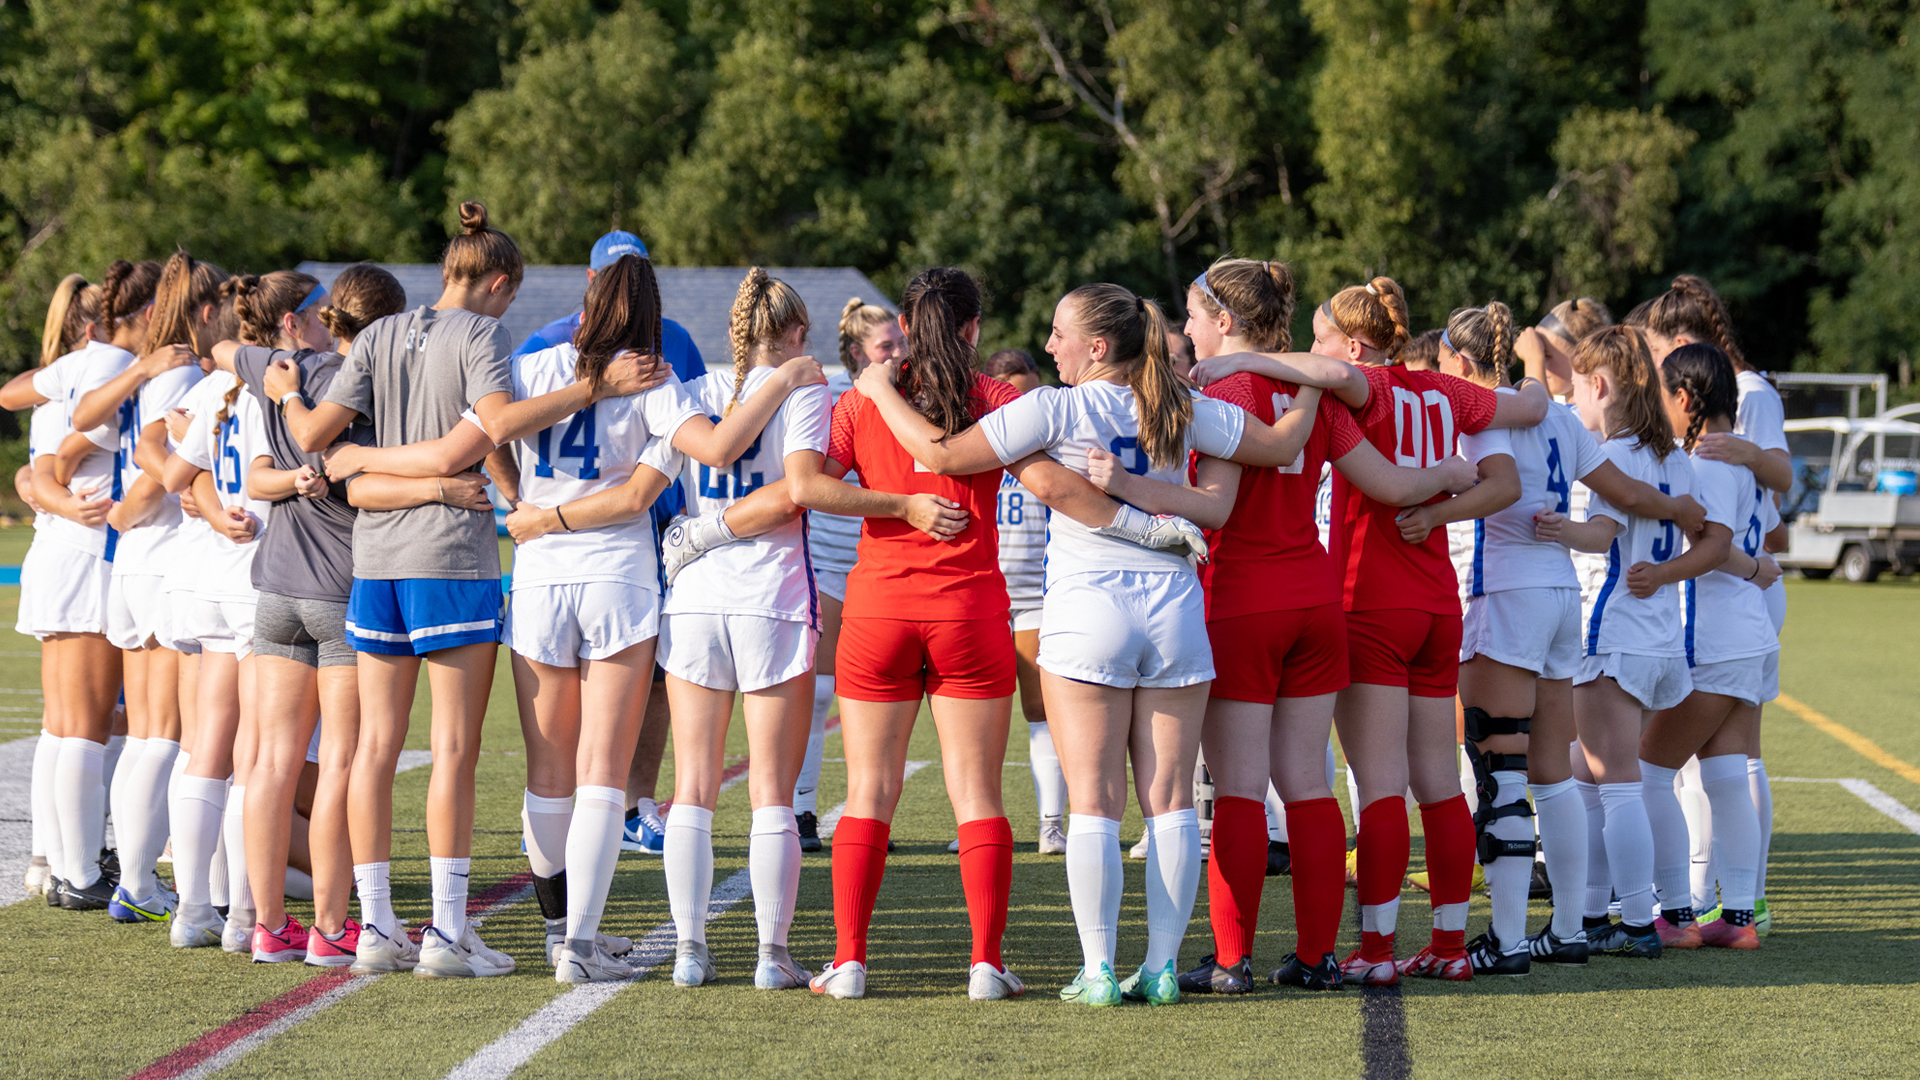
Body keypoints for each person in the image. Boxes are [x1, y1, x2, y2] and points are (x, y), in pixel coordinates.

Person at [855, 278, 1337, 1007]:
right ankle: (1164, 968)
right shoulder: (1178, 405)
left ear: (1098, 346)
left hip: (1089, 611)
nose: (1049, 346)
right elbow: (1280, 445)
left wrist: (877, 391)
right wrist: (1305, 382)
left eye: (1059, 334)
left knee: (1094, 802)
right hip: (1174, 608)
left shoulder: (1051, 408)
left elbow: (945, 458)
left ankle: (1099, 969)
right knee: (1173, 803)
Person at [268, 202, 656, 977]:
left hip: (374, 561)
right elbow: (488, 431)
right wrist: (589, 389)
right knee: (452, 748)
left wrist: (362, 458)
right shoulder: (483, 334)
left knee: (374, 748)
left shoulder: (376, 334)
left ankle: (375, 926)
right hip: (449, 561)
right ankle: (446, 931)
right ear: (499, 283)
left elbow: (318, 442)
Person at [787, 267, 1191, 1003]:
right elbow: (1044, 477)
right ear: (974, 329)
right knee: (976, 793)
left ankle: (848, 963)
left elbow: (809, 486)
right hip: (970, 610)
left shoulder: (862, 396)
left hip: (877, 608)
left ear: (905, 327)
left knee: (867, 791)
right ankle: (984, 964)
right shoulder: (999, 395)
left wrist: (896, 503)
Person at [1122, 259, 1482, 993]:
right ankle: (1317, 956)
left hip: (1243, 597)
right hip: (1316, 600)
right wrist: (1447, 477)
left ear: (1226, 320)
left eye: (1193, 314)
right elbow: (1389, 485)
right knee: (1308, 787)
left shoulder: (1224, 386)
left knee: (1242, 790)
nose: (1186, 329)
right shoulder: (1311, 386)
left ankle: (1231, 961)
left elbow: (1212, 500)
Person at [1193, 278, 1549, 985]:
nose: (1314, 351)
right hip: (1418, 601)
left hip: (1345, 600)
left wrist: (1246, 365)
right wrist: (1457, 472)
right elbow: (1529, 408)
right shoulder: (1439, 392)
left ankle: (1353, 952)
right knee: (1429, 785)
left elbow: (1375, 476)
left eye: (1324, 340)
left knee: (1353, 785)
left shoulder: (1340, 390)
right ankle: (1431, 945)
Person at [1400, 303, 1704, 973]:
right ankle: (1567, 927)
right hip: (1566, 596)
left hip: (1506, 594)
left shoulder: (1482, 413)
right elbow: (1623, 490)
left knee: (1499, 770)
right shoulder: (1560, 414)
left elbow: (1494, 485)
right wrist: (1680, 507)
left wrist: (1431, 513)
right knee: (1554, 777)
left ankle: (1506, 939)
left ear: (1457, 359)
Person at [653, 268, 831, 990]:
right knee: (772, 792)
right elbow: (797, 493)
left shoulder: (695, 392)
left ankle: (690, 948)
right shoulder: (806, 388)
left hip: (695, 598)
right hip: (772, 597)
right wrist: (790, 379)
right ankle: (771, 954)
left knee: (691, 785)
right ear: (793, 334)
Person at [1537, 325, 1730, 959]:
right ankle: (1632, 910)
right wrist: (1668, 574)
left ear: (1599, 385)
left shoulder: (1611, 456)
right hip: (1661, 642)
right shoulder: (1674, 455)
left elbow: (1599, 537)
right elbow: (1710, 537)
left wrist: (1555, 527)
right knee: (1609, 778)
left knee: (1615, 781)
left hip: (1613, 635)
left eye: (1578, 394)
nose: (1573, 407)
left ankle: (1640, 923)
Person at [514, 230, 707, 858]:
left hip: (544, 566)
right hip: (617, 559)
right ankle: (580, 941)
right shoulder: (646, 362)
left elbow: (484, 429)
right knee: (597, 772)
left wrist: (525, 508)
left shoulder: (532, 361)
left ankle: (550, 919)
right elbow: (697, 455)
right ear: (591, 281)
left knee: (550, 773)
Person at [71, 251, 222, 925]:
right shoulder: (182, 370)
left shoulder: (152, 365)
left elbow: (92, 422)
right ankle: (138, 881)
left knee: (147, 734)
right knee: (163, 732)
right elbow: (155, 470)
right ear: (208, 309)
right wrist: (134, 508)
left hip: (135, 561)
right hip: (160, 556)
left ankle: (137, 877)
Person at [1637, 274, 1787, 933]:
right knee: (1727, 773)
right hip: (1751, 636)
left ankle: (1674, 912)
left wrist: (1660, 573)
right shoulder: (1742, 462)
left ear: (1687, 395)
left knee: (1647, 769)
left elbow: (1718, 546)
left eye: (1662, 394)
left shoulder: (1702, 464)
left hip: (1716, 638)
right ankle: (1742, 915)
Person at [160, 272, 281, 950]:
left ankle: (194, 910)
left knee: (206, 749)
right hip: (255, 581)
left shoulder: (211, 389)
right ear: (284, 325)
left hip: (208, 575)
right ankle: (239, 916)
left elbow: (178, 478)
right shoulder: (280, 388)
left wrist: (211, 503)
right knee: (249, 753)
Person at [6, 275, 115, 905]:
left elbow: (34, 464)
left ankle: (51, 859)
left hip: (56, 556)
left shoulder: (57, 382)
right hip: (83, 555)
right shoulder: (96, 382)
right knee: (83, 726)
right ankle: (77, 872)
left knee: (62, 724)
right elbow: (53, 469)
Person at [790, 297, 904, 852]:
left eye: (901, 343)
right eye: (887, 346)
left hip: (884, 561)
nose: (899, 354)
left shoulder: (907, 391)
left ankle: (872, 814)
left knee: (883, 694)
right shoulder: (829, 396)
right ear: (858, 352)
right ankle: (802, 808)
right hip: (828, 560)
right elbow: (814, 481)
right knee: (819, 690)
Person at [982, 348, 1066, 856]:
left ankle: (1051, 823)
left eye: (1033, 393)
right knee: (978, 718)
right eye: (1014, 394)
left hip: (1037, 594)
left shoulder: (1052, 442)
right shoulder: (977, 442)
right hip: (984, 596)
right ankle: (980, 821)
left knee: (1041, 713)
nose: (1025, 404)